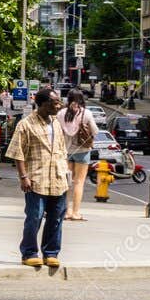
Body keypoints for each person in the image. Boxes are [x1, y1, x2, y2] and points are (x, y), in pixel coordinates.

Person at [9, 85, 69, 269]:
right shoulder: (25, 124)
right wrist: (23, 177)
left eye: (59, 102)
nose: (58, 106)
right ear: (42, 104)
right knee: (34, 216)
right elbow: (17, 153)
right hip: (36, 178)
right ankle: (29, 252)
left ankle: (51, 253)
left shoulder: (57, 123)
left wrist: (66, 174)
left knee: (56, 217)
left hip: (58, 178)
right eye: (54, 102)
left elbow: (61, 150)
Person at [61, 87, 97, 221]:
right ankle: (76, 212)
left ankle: (66, 211)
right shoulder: (86, 113)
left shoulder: (62, 113)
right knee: (79, 182)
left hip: (66, 151)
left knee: (66, 182)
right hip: (82, 151)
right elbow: (95, 131)